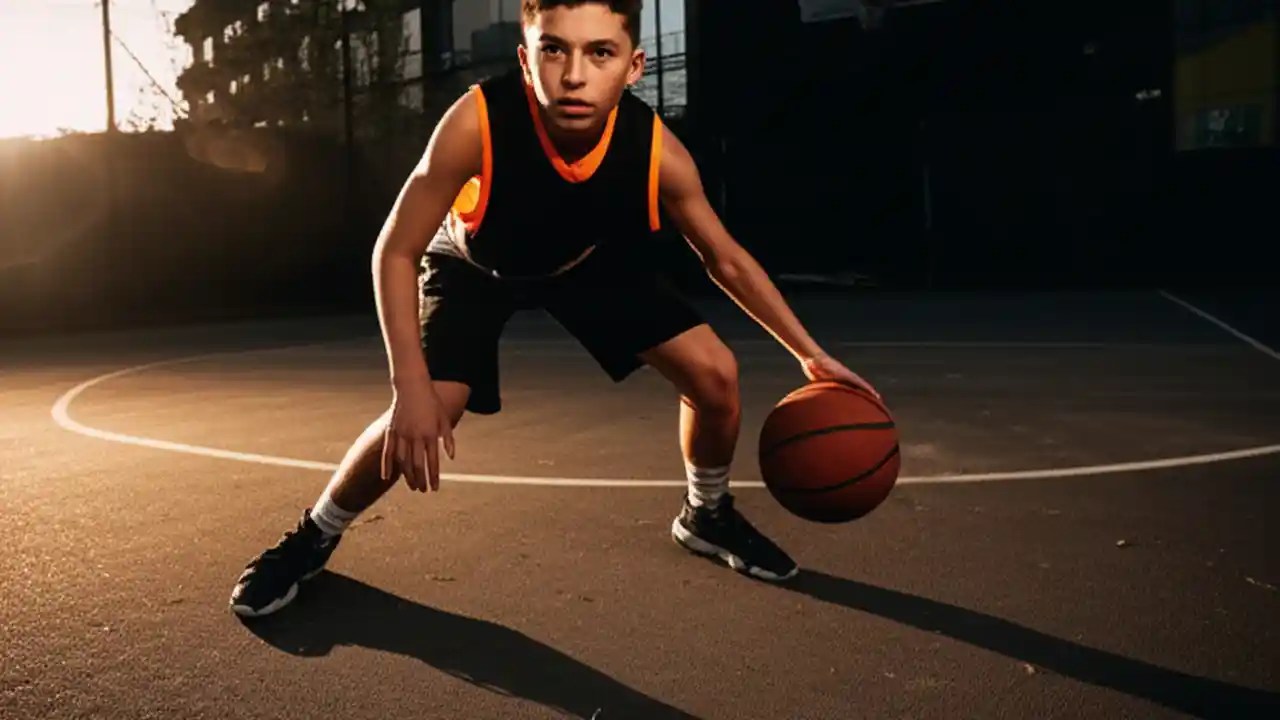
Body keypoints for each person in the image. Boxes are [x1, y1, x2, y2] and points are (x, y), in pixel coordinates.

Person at [230, 0, 879, 618]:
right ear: (524, 58)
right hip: (471, 266)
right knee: (436, 406)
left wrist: (810, 354)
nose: (574, 75)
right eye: (554, 50)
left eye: (600, 53)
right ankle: (313, 536)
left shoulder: (654, 149)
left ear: (634, 66)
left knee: (715, 375)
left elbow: (726, 259)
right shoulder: (476, 121)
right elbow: (394, 251)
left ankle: (705, 515)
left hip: (580, 263)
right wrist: (410, 388)